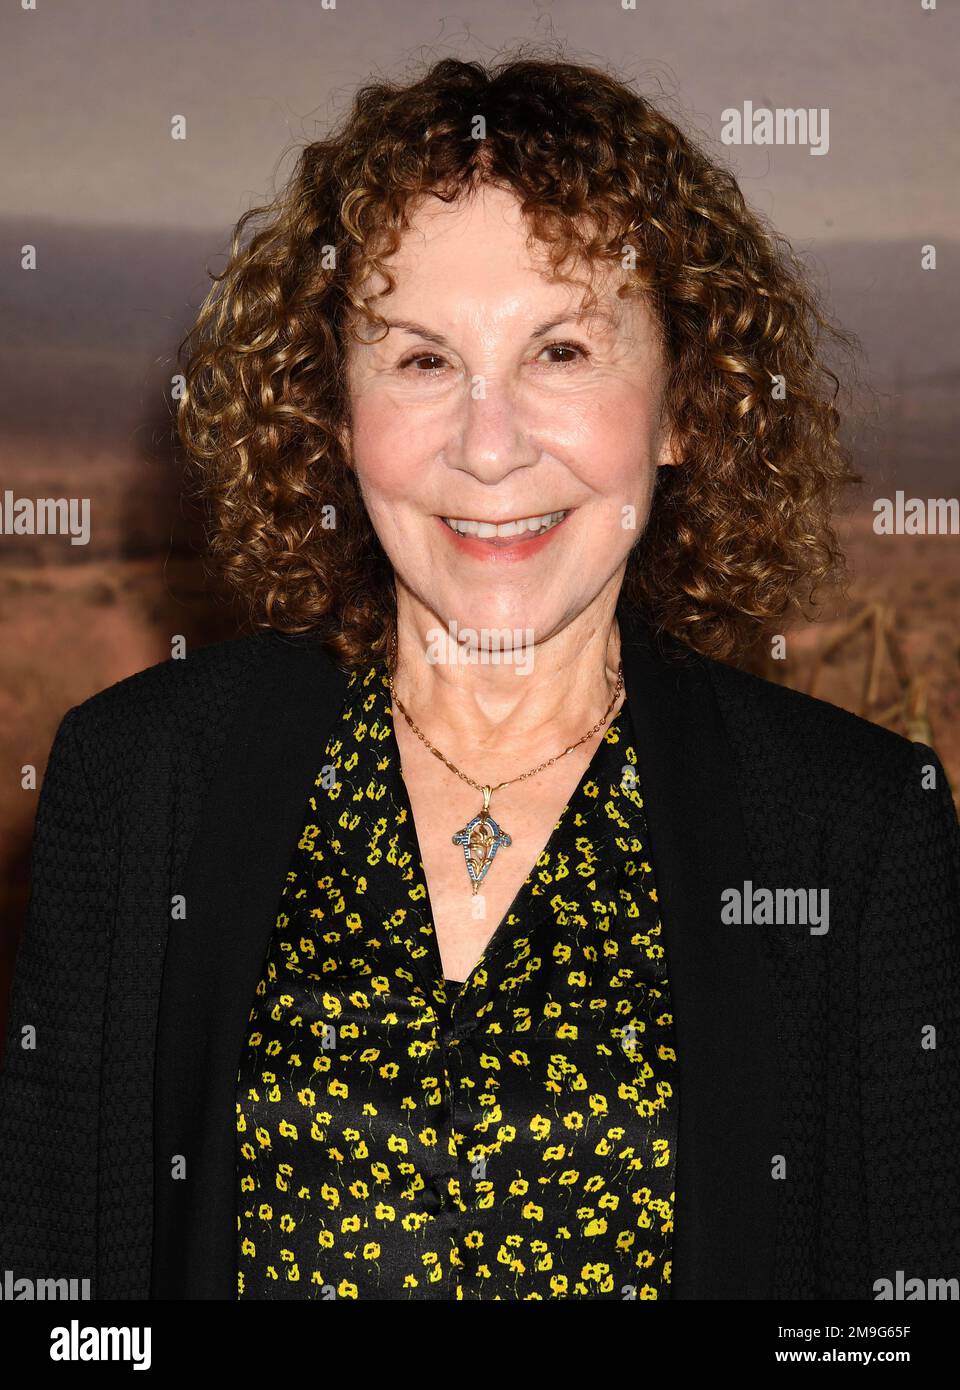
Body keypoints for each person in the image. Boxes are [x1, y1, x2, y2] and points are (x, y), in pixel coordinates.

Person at [1, 55, 957, 1302]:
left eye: (561, 351)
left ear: (686, 407)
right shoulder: (138, 786)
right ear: (333, 413)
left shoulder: (854, 835)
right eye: (420, 360)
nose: (489, 445)